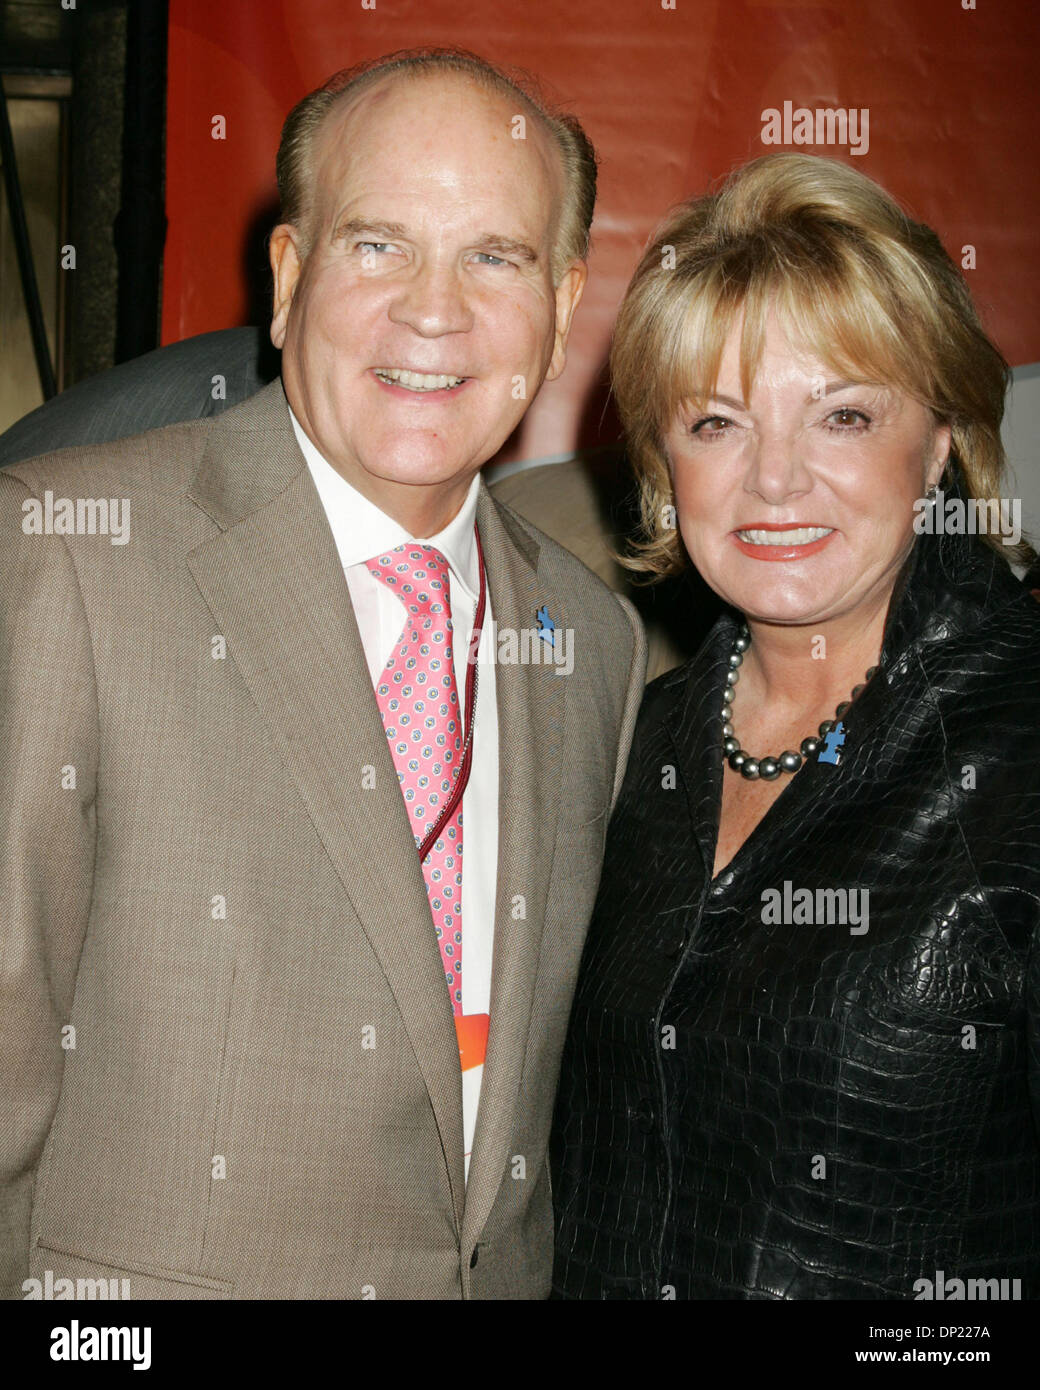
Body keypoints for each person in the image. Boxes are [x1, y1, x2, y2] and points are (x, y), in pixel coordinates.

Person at [0, 47, 646, 1301]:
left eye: (494, 258)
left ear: (565, 305)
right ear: (287, 276)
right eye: (377, 245)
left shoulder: (591, 644)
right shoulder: (65, 555)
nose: (433, 310)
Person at [550, 152, 1040, 1300]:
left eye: (842, 415)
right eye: (715, 422)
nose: (773, 480)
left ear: (935, 444)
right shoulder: (621, 740)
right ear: (666, 468)